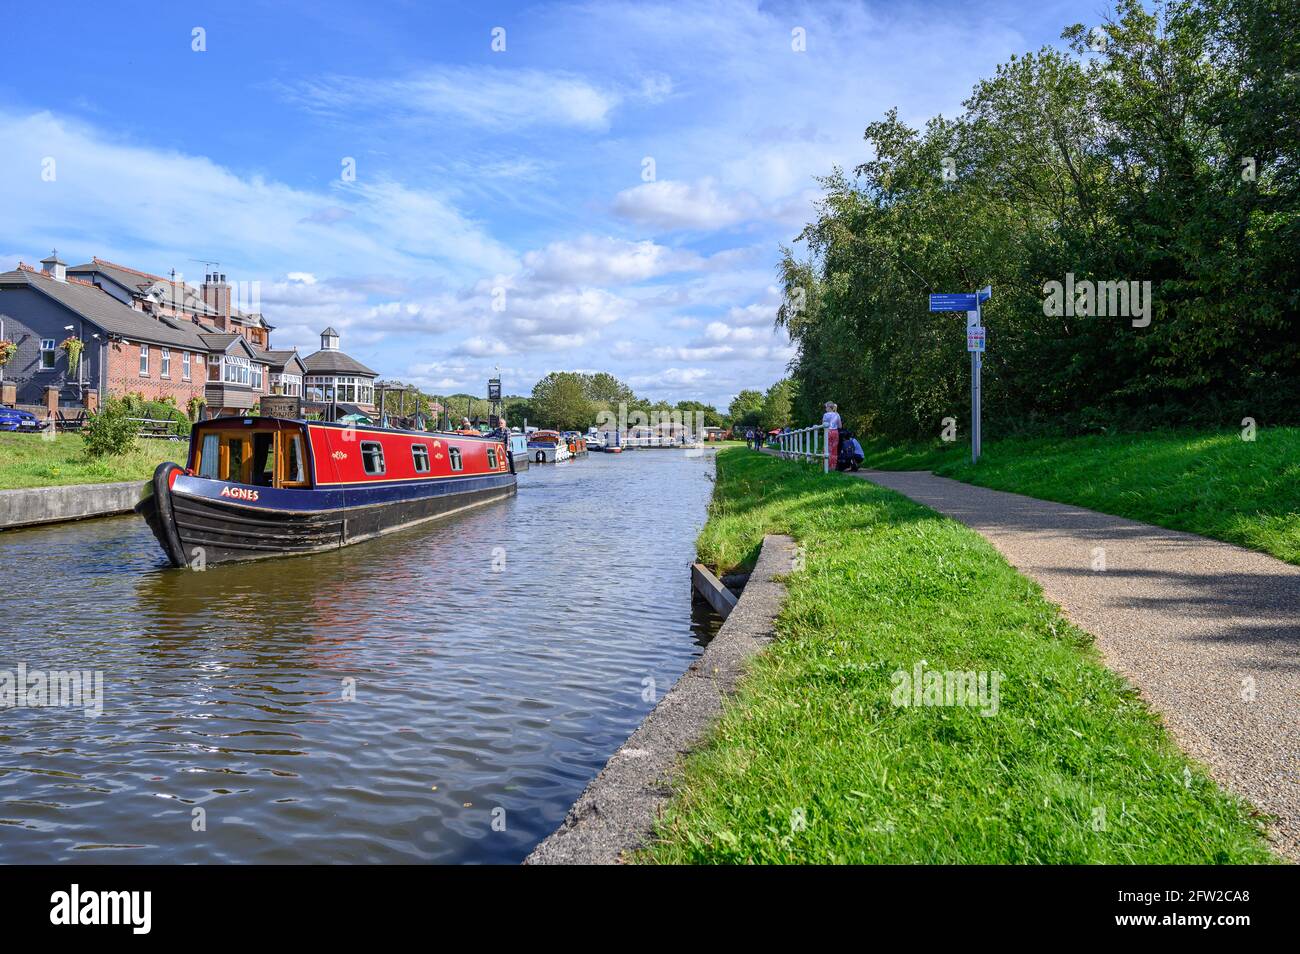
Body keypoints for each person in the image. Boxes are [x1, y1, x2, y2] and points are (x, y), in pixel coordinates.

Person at [822, 402, 842, 469]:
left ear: (829, 407)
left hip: (828, 432)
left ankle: (826, 466)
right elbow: (840, 426)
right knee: (834, 450)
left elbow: (823, 425)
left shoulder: (825, 415)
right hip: (835, 432)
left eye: (826, 407)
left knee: (827, 449)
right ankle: (833, 467)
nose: (825, 408)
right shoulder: (837, 414)